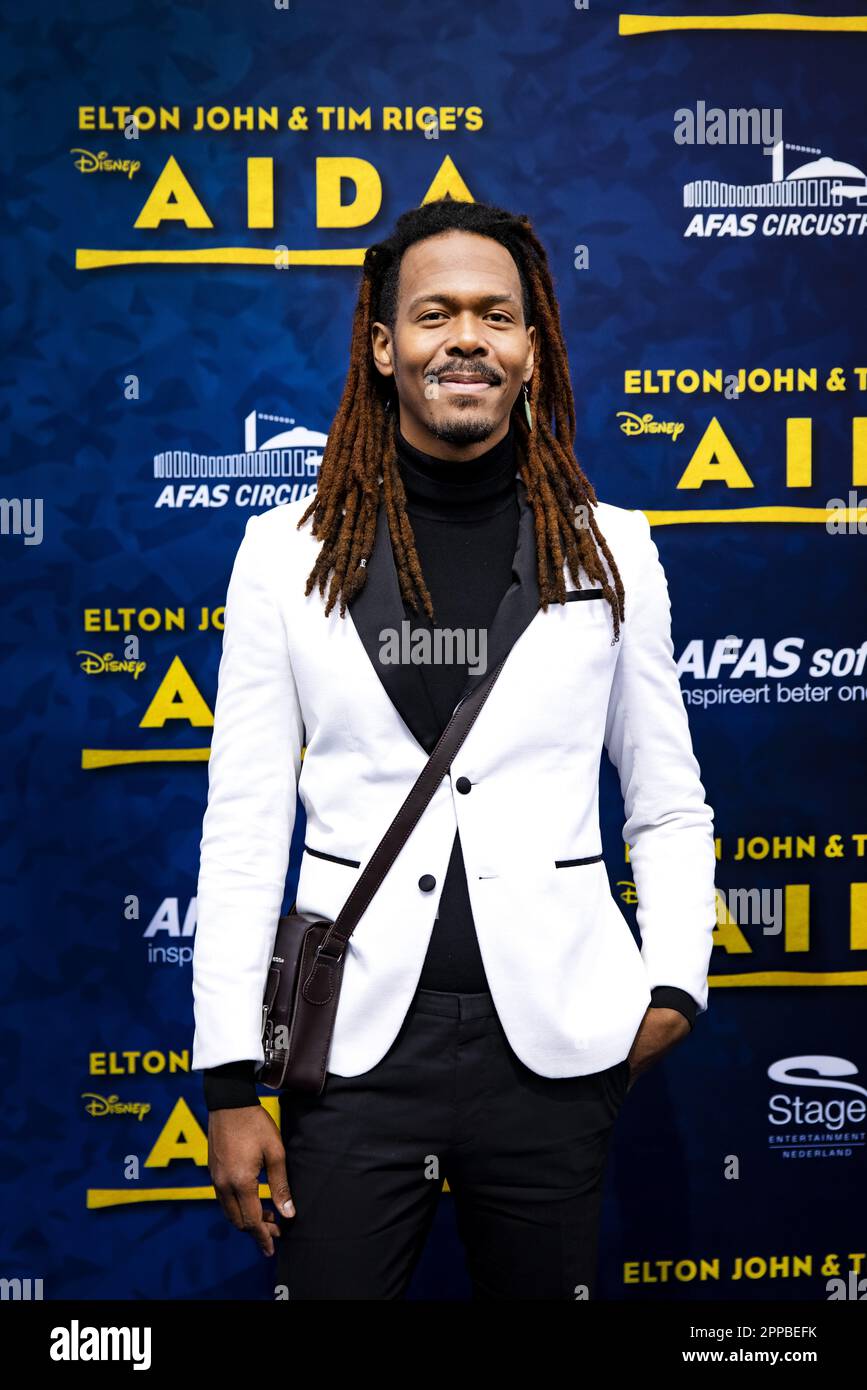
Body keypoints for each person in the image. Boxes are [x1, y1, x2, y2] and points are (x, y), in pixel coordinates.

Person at [191, 197, 717, 1300]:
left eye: (496, 314)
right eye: (434, 314)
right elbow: (246, 826)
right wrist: (229, 1081)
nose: (466, 337)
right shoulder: (279, 556)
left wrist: (675, 975)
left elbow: (665, 800)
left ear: (534, 348)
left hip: (560, 1048)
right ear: (383, 347)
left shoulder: (614, 550)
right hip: (352, 1055)